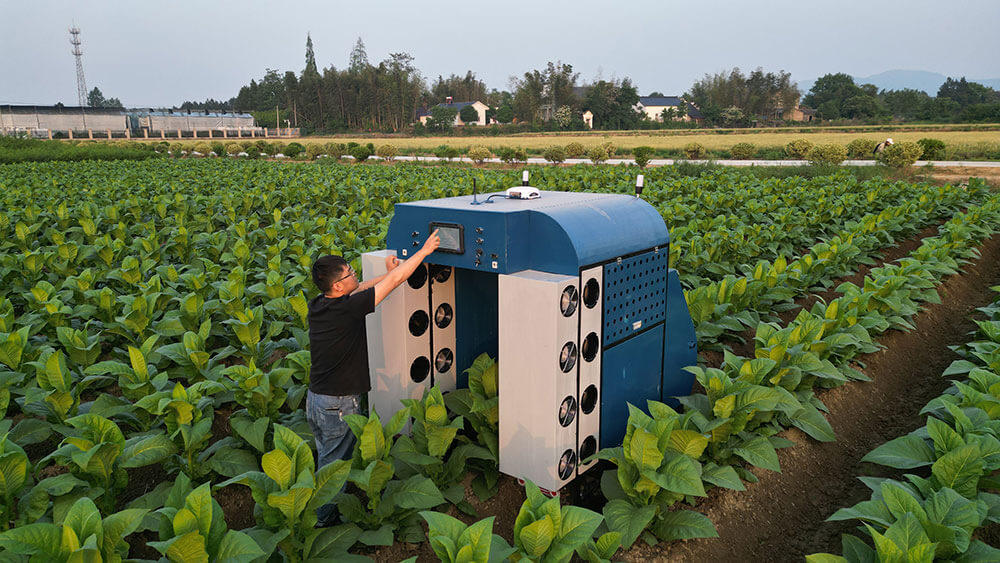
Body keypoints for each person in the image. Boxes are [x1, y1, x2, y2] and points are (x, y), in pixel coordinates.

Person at [306, 229, 440, 527]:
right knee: (334, 469)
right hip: (338, 406)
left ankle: (321, 512)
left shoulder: (320, 304)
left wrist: (386, 273)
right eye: (350, 272)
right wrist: (424, 251)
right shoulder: (347, 310)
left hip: (317, 400)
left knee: (326, 460)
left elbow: (363, 288)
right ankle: (324, 524)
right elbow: (396, 281)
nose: (355, 273)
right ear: (337, 285)